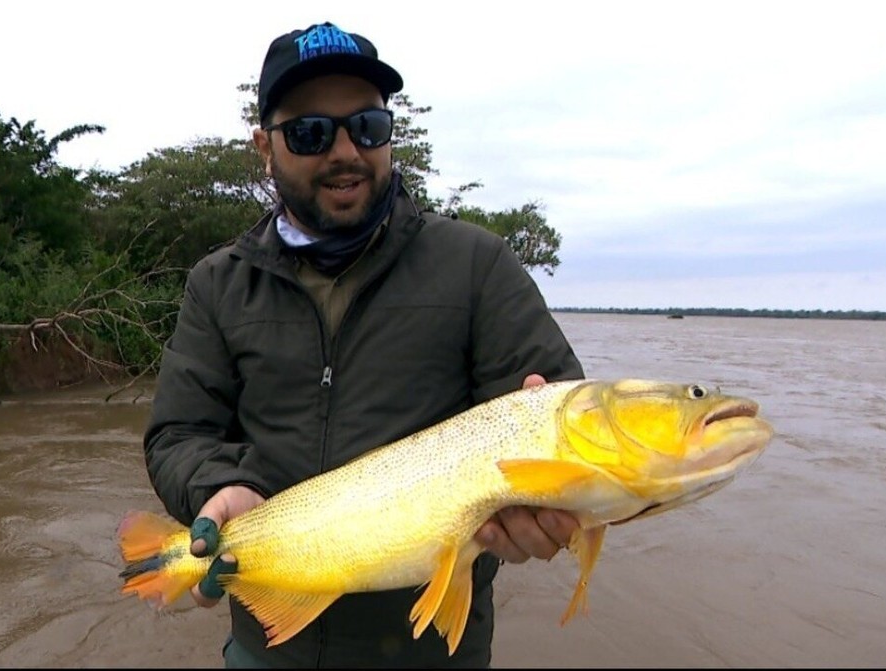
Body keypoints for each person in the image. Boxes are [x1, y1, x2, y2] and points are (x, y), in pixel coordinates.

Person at [142, 21, 585, 669]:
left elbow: (553, 420)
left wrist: (552, 499)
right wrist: (221, 487)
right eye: (311, 133)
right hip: (269, 650)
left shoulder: (477, 266)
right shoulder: (218, 283)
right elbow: (178, 433)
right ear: (264, 146)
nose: (345, 150)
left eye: (368, 126)